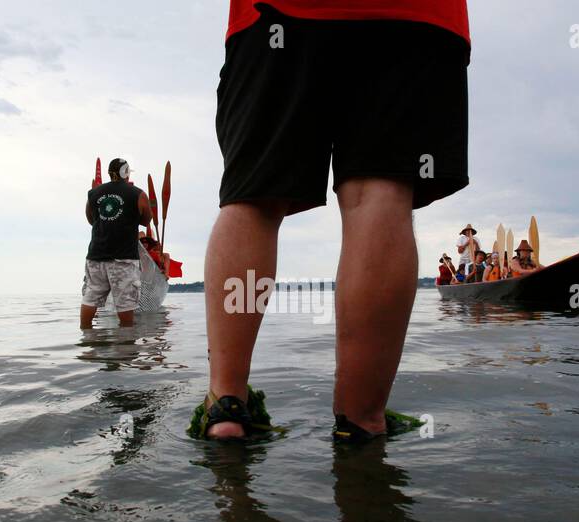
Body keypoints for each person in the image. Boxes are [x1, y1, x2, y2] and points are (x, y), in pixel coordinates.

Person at [197, 0, 470, 441]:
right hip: (414, 18)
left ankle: (226, 407)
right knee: (379, 191)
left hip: (279, 14)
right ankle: (361, 421)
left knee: (254, 197)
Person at [81, 157, 154, 329]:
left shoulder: (93, 193)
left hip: (96, 256)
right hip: (124, 258)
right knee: (126, 304)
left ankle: (86, 341)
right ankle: (126, 348)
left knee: (90, 298)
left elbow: (91, 218)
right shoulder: (138, 194)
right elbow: (147, 219)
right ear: (126, 173)